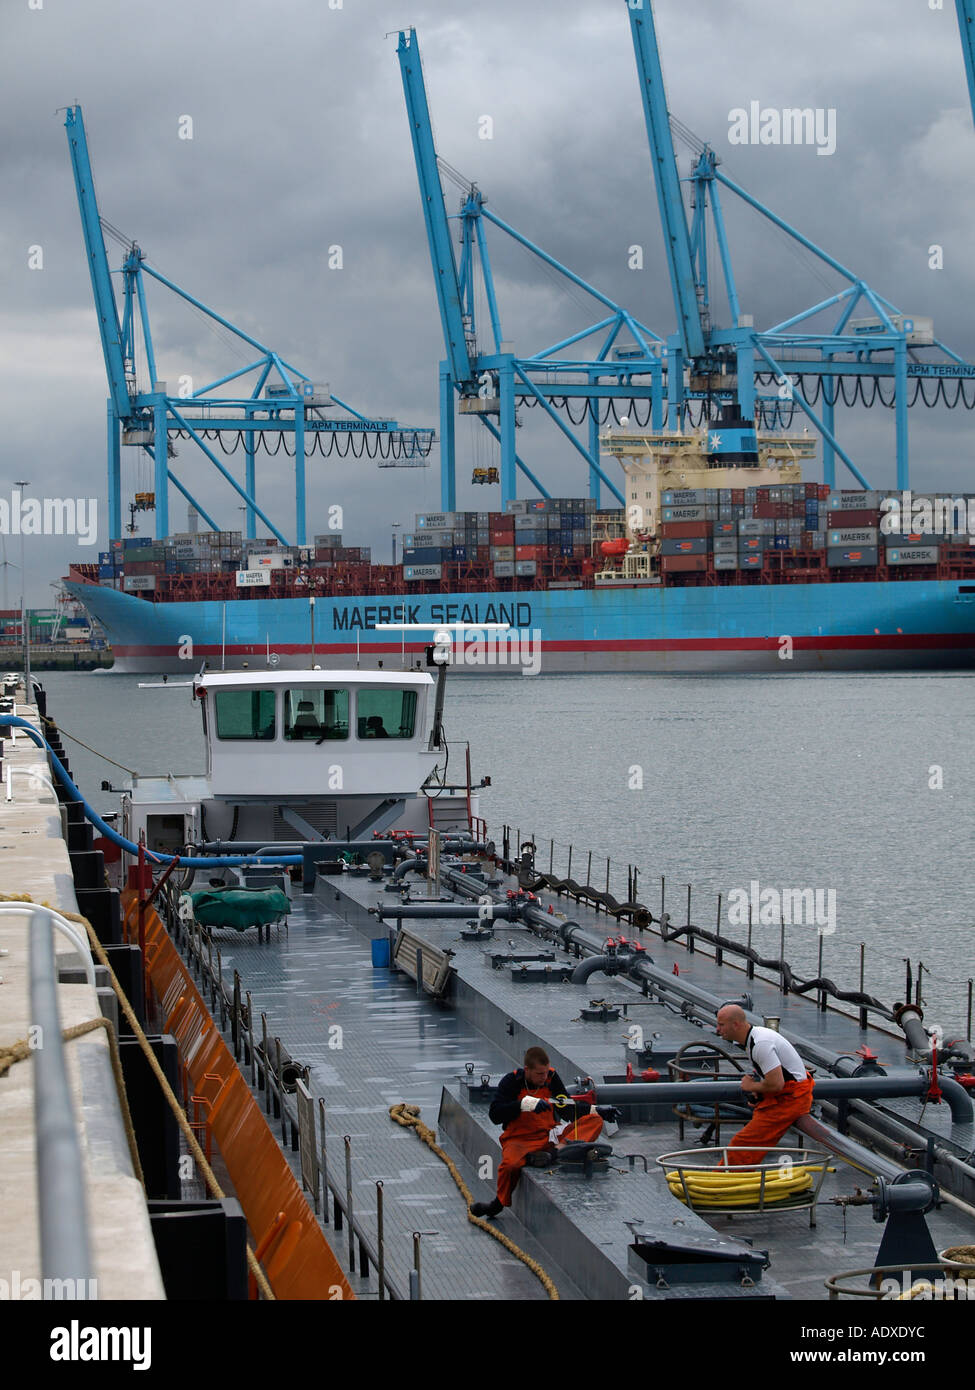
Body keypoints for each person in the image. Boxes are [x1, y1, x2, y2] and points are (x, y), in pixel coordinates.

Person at [470, 1045, 622, 1218]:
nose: (544, 1077)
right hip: (520, 1139)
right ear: (527, 1070)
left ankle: (554, 1153)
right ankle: (498, 1204)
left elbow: (568, 1110)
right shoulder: (511, 1081)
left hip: (550, 1136)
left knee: (594, 1121)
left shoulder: (551, 1078)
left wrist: (598, 1110)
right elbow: (495, 1115)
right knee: (510, 1166)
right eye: (539, 1074)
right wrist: (525, 1104)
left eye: (546, 1073)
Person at [714, 1005, 814, 1165]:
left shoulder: (760, 1044)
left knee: (743, 1144)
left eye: (721, 1024)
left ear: (736, 1024)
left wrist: (750, 1087)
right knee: (746, 1142)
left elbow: (776, 1084)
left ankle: (724, 1182)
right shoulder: (754, 1038)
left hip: (792, 1099)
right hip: (788, 1094)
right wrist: (760, 1093)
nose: (718, 1029)